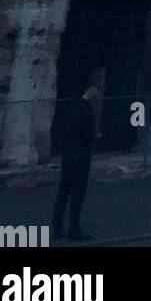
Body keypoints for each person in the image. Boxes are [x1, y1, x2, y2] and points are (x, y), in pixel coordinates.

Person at [51, 85, 99, 242]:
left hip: (68, 155)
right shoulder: (86, 111)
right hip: (81, 157)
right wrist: (95, 138)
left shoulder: (68, 108)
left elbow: (58, 130)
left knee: (63, 191)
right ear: (92, 95)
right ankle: (74, 228)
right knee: (78, 194)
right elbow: (88, 135)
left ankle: (57, 227)